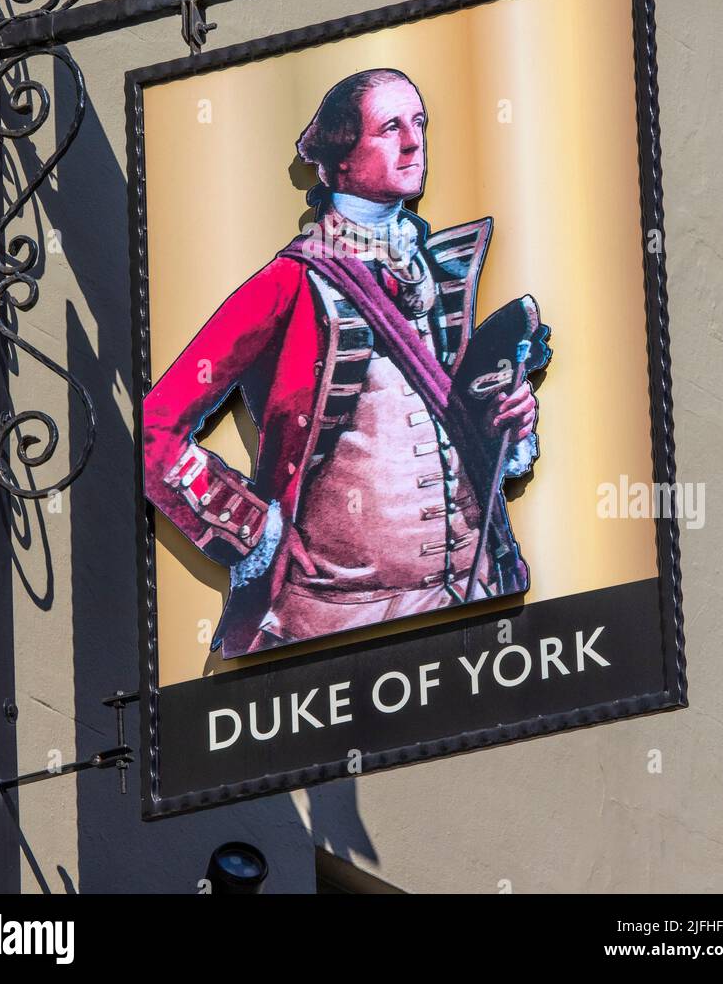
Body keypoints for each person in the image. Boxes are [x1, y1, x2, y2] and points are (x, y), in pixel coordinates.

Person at [142, 68, 547, 657]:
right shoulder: (288, 283)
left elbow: (440, 425)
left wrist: (502, 423)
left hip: (472, 591)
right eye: (390, 128)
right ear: (341, 160)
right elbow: (157, 428)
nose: (414, 142)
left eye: (419, 123)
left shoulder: (442, 270)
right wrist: (255, 529)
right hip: (327, 621)